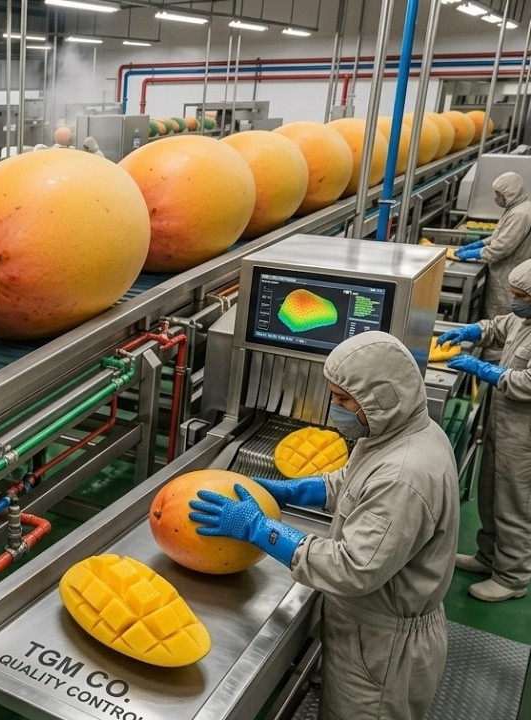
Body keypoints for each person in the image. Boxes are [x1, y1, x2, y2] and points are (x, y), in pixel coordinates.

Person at [189, 331, 458, 720]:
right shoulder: (398, 433)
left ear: (382, 399)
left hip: (382, 650)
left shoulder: (406, 475)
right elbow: (353, 481)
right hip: (363, 626)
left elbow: (352, 568)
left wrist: (259, 528)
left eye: (344, 400)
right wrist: (294, 491)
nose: (336, 407)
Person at [438, 257, 531, 602]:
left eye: (521, 295)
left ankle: (512, 577)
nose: (514, 300)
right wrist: (471, 331)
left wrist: (484, 370)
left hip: (524, 435)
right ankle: (488, 556)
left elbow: (527, 382)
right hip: (503, 422)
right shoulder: (525, 319)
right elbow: (500, 325)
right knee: (491, 491)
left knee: (513, 504)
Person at [454, 172, 531, 321]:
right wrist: (482, 243)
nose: (497, 198)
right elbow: (503, 234)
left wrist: (476, 253)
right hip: (506, 270)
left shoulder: (520, 214)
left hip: (507, 274)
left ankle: (497, 344)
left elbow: (501, 248)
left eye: (499, 194)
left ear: (510, 193)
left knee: (500, 314)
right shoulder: (519, 207)